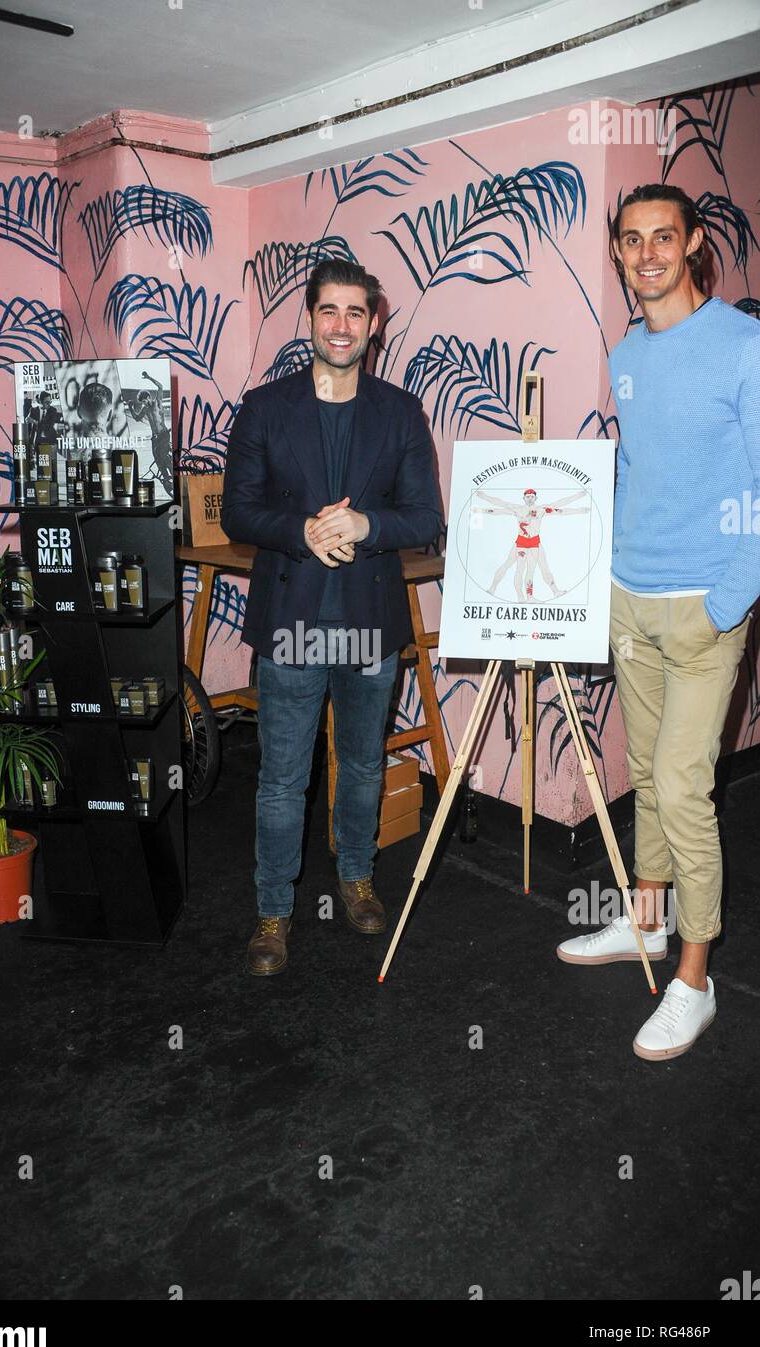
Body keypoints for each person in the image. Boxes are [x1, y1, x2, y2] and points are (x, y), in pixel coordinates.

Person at [557, 183, 760, 1060]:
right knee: (641, 772)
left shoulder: (744, 346)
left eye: (662, 237)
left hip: (703, 610)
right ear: (617, 253)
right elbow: (634, 472)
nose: (646, 253)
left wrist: (725, 601)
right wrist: (608, 583)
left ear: (692, 244)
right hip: (629, 602)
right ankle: (643, 922)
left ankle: (694, 978)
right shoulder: (625, 353)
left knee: (682, 790)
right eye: (631, 239)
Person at [223, 259, 442, 976]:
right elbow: (237, 509)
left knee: (358, 766)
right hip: (291, 620)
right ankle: (272, 913)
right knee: (283, 779)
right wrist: (300, 531)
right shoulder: (263, 407)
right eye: (329, 311)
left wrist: (364, 525)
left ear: (373, 323)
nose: (341, 325)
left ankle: (355, 877)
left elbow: (424, 517)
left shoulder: (400, 412)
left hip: (368, 625)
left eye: (356, 312)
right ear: (309, 318)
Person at [474, 486, 589, 599]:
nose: (529, 498)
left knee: (541, 568)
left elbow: (560, 506)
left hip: (535, 543)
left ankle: (553, 592)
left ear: (535, 498)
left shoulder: (541, 510)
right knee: (513, 567)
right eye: (527, 496)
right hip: (521, 543)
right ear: (523, 498)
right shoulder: (518, 509)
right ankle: (494, 589)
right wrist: (483, 500)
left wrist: (579, 503)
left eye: (532, 496)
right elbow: (499, 506)